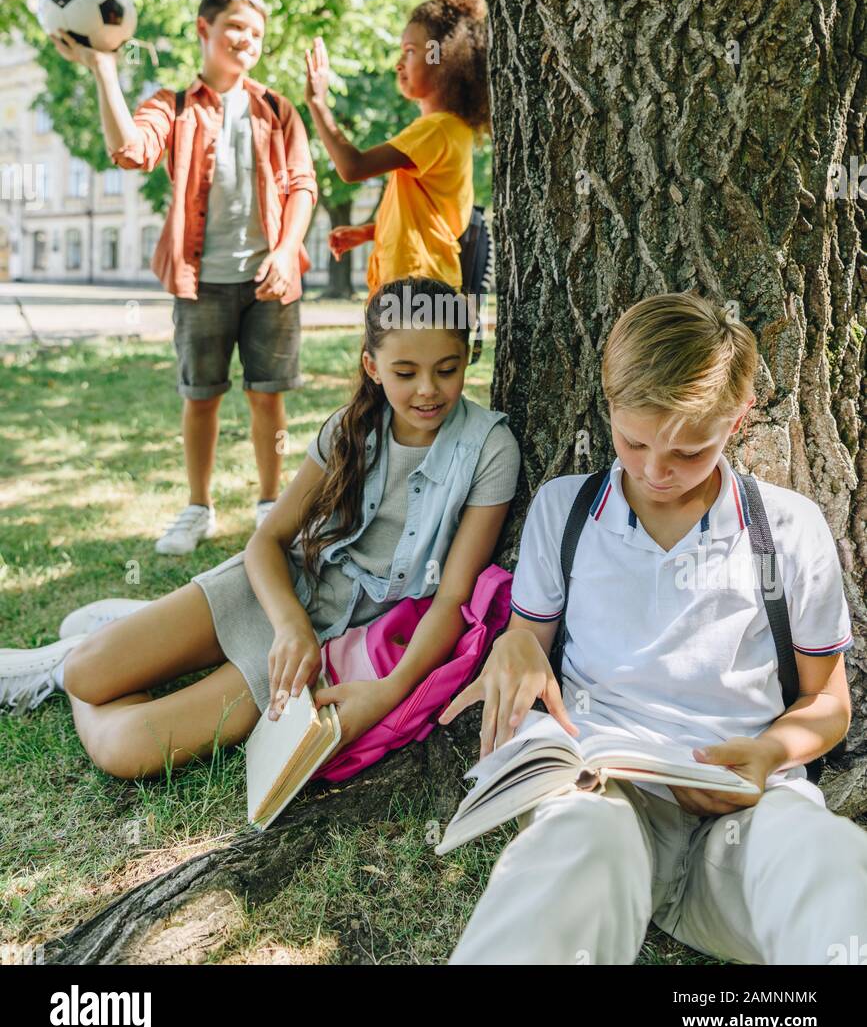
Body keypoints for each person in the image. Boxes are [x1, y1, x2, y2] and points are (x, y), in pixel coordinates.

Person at [441, 293, 867, 966]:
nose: (651, 471)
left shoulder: (786, 528)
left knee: (830, 859)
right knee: (573, 849)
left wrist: (765, 756)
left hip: (743, 816)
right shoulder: (566, 511)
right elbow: (529, 637)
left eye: (687, 452)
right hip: (604, 803)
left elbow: (828, 703)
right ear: (607, 405)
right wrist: (516, 645)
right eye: (632, 441)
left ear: (736, 420)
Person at [0, 278, 521, 783]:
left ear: (469, 358)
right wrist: (289, 625)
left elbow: (453, 596)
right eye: (405, 372)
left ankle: (124, 641)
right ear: (373, 366)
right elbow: (266, 542)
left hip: (335, 637)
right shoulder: (349, 428)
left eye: (447, 369)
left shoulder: (490, 448)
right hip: (278, 593)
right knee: (84, 673)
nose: (428, 390)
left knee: (129, 748)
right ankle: (95, 647)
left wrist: (389, 690)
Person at [49, 0, 318, 554]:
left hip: (272, 280)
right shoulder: (171, 104)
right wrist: (103, 69)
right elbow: (129, 151)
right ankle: (198, 507)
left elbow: (302, 185)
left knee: (268, 395)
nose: (247, 40)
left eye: (257, 33)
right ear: (205, 29)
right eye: (236, 27)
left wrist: (285, 247)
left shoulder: (278, 109)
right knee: (201, 396)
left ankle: (270, 505)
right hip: (202, 281)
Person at [304, 0, 487, 299]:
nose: (398, 63)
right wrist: (368, 232)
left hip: (416, 291)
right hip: (425, 288)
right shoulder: (447, 129)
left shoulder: (436, 129)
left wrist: (317, 103)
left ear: (439, 59)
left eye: (410, 52)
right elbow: (432, 221)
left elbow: (352, 167)